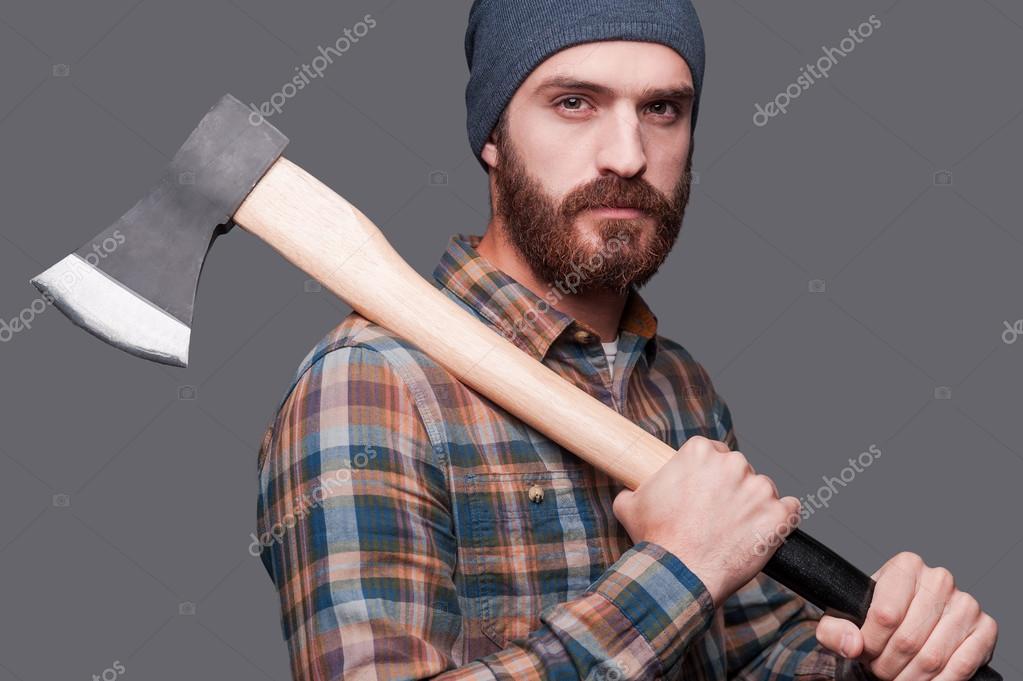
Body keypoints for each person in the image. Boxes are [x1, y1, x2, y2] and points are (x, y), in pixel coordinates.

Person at [255, 1, 998, 678]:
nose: (627, 155)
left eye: (662, 108)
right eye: (573, 103)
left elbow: (744, 657)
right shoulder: (368, 386)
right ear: (492, 136)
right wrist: (677, 569)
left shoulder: (676, 382)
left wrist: (875, 660)